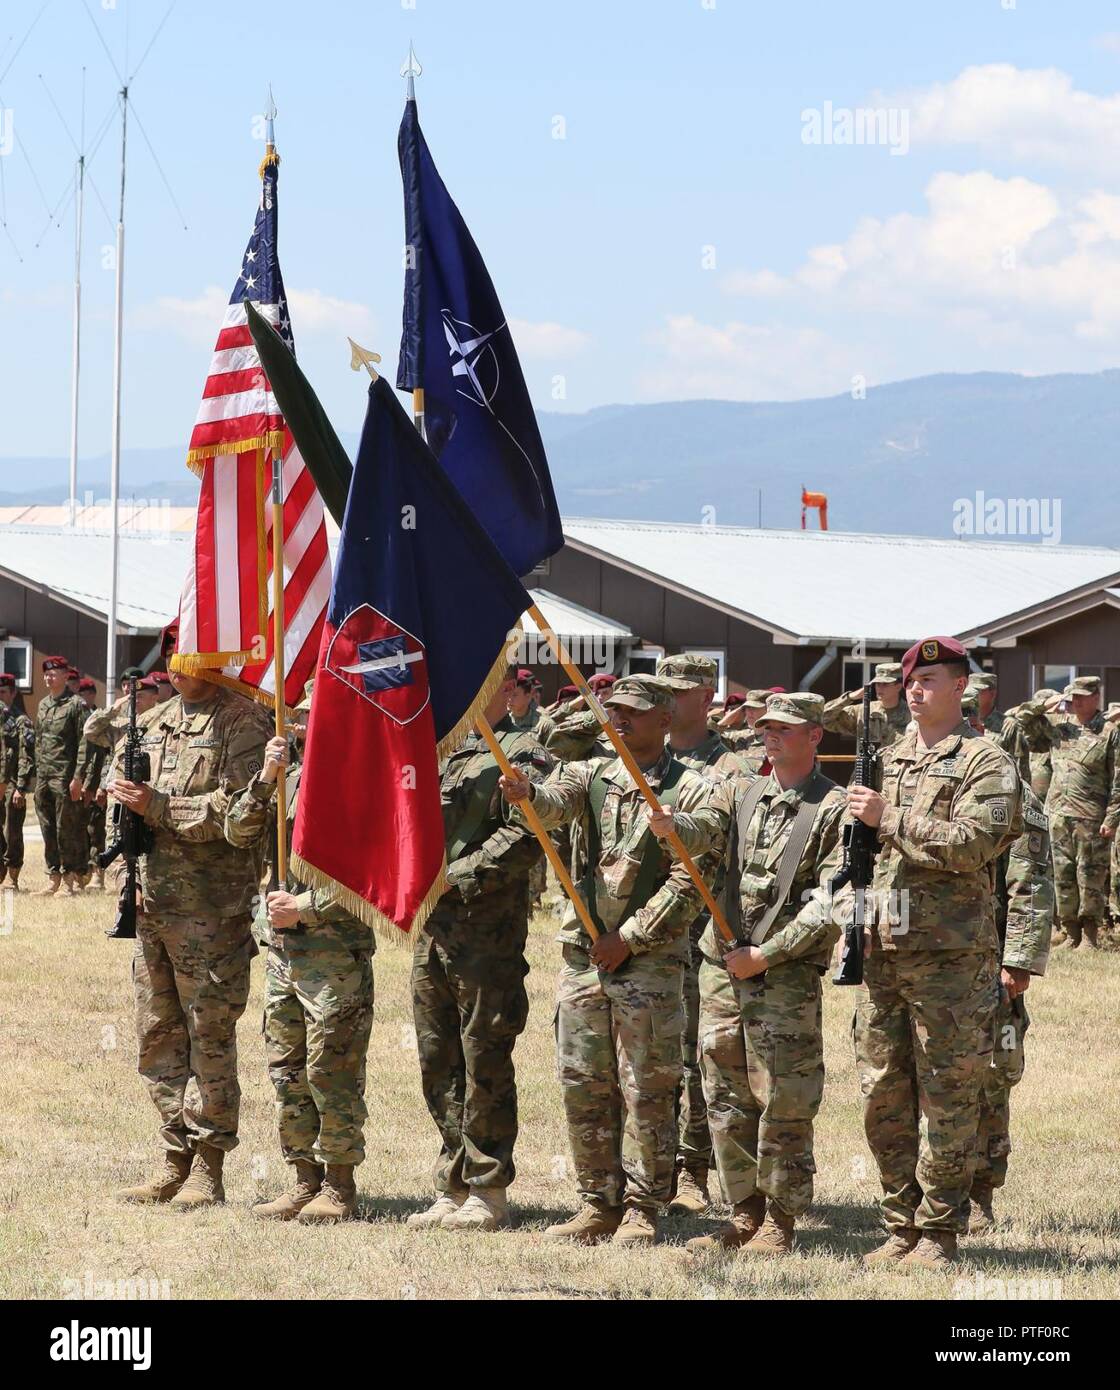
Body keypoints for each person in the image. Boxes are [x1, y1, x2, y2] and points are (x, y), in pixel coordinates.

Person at [500, 674, 715, 1247]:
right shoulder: (591, 772)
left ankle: (646, 1205)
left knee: (646, 1083)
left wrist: (633, 937)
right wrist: (526, 796)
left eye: (635, 713)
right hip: (583, 956)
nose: (620, 720)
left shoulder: (690, 787)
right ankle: (597, 1200)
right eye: (615, 711)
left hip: (646, 961)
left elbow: (691, 880)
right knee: (583, 1081)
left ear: (664, 720)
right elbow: (552, 808)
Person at [650, 692, 846, 1255]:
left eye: (785, 727)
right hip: (722, 968)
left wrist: (769, 954)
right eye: (766, 727)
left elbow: (833, 901)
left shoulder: (833, 809)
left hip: (781, 974)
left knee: (783, 1094)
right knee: (724, 1092)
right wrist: (674, 826)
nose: (771, 734)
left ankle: (780, 1220)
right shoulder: (741, 791)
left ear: (815, 735)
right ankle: (743, 1213)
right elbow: (705, 826)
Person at [849, 636, 1021, 1270]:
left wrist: (888, 818)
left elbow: (973, 845)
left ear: (960, 687)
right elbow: (861, 861)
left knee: (949, 1096)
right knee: (882, 1094)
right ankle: (900, 1225)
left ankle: (941, 1229)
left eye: (931, 680)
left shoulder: (986, 761)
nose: (916, 690)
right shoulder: (887, 760)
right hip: (883, 948)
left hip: (951, 959)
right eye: (911, 682)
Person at [109, 670, 271, 1209]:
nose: (183, 665)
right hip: (151, 908)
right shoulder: (149, 724)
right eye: (177, 651)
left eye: (196, 650)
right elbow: (118, 807)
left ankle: (208, 1165)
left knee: (209, 1036)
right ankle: (172, 1157)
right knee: (157, 1037)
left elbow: (238, 817)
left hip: (212, 910)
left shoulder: (243, 721)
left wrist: (157, 806)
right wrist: (121, 882)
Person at [223, 681, 375, 1223]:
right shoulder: (284, 778)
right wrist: (265, 778)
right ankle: (302, 1179)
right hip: (284, 953)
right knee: (286, 1069)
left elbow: (375, 874)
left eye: (319, 716)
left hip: (334, 951)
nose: (308, 724)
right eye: (302, 716)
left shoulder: (361, 780)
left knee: (330, 1070)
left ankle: (339, 1186)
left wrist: (307, 908)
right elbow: (239, 834)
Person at [408, 671, 553, 1234]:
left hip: (485, 929)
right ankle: (453, 1180)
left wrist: (453, 876)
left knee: (484, 1055)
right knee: (436, 1056)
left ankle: (489, 1188)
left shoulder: (522, 751)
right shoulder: (440, 750)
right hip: (431, 927)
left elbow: (525, 834)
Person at [655, 652, 753, 1215]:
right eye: (662, 689)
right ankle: (649, 1166)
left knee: (700, 1054)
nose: (669, 699)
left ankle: (693, 1169)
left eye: (682, 689)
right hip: (647, 930)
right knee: (648, 1054)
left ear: (707, 698)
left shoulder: (732, 771)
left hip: (702, 932)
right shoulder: (644, 758)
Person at [969, 781, 1052, 1233]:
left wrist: (1017, 962)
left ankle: (980, 1189)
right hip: (920, 962)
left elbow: (1031, 884)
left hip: (987, 965)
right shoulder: (901, 773)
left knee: (991, 1076)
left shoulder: (1010, 792)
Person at [1016, 676, 1119, 950]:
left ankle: (1089, 935)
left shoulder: (1109, 732)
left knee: (1090, 877)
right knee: (1062, 875)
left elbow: (1118, 780)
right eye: (1074, 696)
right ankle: (1069, 930)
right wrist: (1045, 704)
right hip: (1058, 815)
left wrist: (1111, 818)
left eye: (1083, 696)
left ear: (1097, 697)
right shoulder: (1060, 728)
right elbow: (1022, 720)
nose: (1077, 701)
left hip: (1091, 818)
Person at [32, 655, 88, 895]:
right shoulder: (43, 704)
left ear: (66, 676)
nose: (48, 678)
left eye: (53, 674)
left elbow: (84, 743)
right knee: (46, 827)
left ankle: (69, 879)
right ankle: (52, 876)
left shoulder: (76, 705)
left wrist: (79, 777)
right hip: (44, 777)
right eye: (46, 674)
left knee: (66, 829)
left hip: (65, 777)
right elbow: (38, 740)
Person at [822, 662, 909, 750]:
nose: (880, 688)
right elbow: (823, 719)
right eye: (878, 684)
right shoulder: (863, 711)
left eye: (885, 684)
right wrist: (850, 697)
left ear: (898, 687)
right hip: (869, 763)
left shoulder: (913, 713)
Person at [0, 673, 35, 891]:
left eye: (3, 692)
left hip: (12, 783)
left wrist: (20, 787)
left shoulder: (22, 721)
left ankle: (12, 875)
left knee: (11, 830)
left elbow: (26, 755)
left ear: (13, 693)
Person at [717, 689, 770, 771]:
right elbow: (716, 729)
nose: (749, 712)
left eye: (754, 708)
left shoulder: (774, 741)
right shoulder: (742, 736)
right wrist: (740, 709)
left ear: (768, 710)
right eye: (747, 707)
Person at [507, 667, 557, 744]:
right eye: (508, 693)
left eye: (514, 695)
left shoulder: (545, 725)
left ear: (528, 695)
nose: (509, 698)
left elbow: (554, 754)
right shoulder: (502, 722)